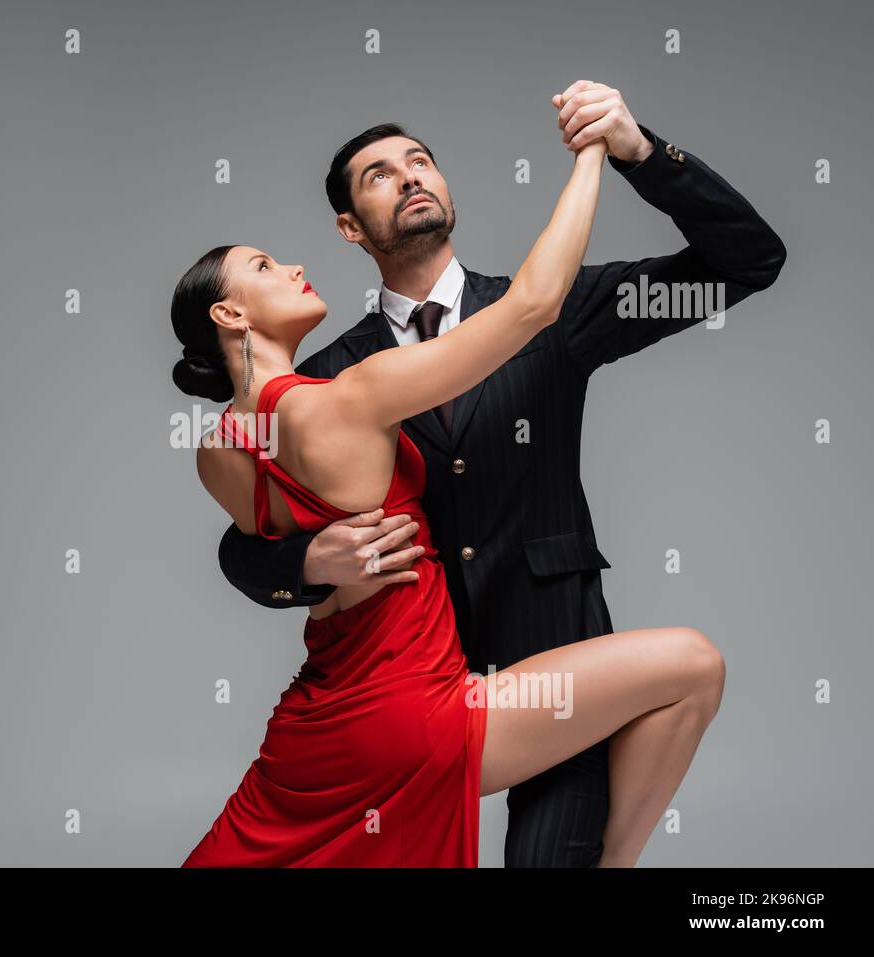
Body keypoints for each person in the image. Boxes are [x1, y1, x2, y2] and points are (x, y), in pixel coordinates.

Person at [212, 81, 786, 866]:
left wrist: (639, 152)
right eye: (380, 174)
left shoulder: (562, 307)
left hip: (559, 660)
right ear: (349, 227)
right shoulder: (328, 379)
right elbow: (242, 541)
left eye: (421, 162)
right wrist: (306, 564)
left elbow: (750, 259)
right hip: (407, 693)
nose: (411, 176)